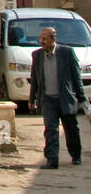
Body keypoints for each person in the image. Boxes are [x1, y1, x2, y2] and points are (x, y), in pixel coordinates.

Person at [30, 26, 85, 168]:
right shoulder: (37, 55)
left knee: (71, 129)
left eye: (45, 39)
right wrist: (32, 100)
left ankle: (76, 155)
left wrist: (82, 98)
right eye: (40, 38)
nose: (41, 41)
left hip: (65, 98)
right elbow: (35, 79)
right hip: (48, 99)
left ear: (53, 39)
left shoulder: (66, 53)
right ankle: (52, 160)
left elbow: (76, 76)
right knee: (50, 130)